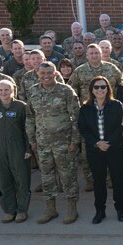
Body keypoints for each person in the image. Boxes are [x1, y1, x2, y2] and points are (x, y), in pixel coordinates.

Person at [27, 61, 82, 224]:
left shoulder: (65, 91)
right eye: (42, 74)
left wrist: (74, 141)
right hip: (43, 143)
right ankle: (51, 208)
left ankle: (72, 208)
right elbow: (30, 117)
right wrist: (32, 139)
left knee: (67, 176)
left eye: (49, 73)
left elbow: (76, 118)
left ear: (55, 74)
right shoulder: (34, 91)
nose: (45, 76)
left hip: (64, 143)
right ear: (38, 74)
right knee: (47, 176)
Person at [0, 78, 36, 223]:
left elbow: (28, 130)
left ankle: (22, 210)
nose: (4, 92)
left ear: (13, 90)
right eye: (0, 90)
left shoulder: (21, 107)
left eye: (7, 90)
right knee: (4, 179)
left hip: (18, 148)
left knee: (21, 179)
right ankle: (9, 210)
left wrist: (28, 148)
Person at [77, 76, 123, 223]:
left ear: (108, 89)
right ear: (92, 90)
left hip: (115, 149)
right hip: (95, 150)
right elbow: (83, 128)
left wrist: (109, 142)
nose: (100, 90)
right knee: (98, 181)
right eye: (97, 87)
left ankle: (120, 209)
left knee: (117, 180)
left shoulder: (117, 105)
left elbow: (122, 126)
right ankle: (100, 211)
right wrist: (97, 142)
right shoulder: (85, 108)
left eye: (103, 87)